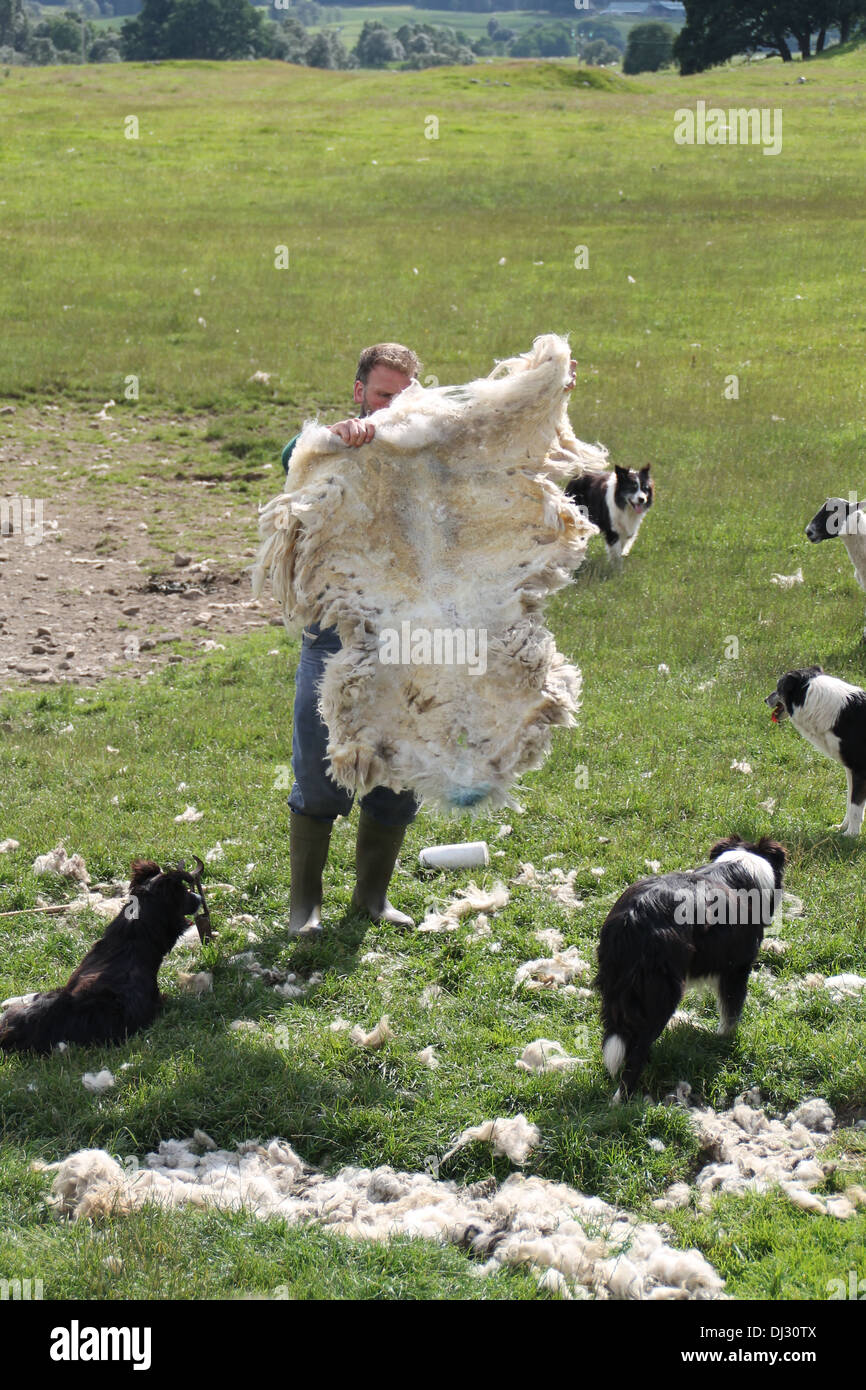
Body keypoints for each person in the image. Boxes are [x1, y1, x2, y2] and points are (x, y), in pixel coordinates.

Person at [282, 343, 422, 936]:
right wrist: (335, 438)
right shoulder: (335, 443)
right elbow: (295, 456)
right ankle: (304, 906)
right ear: (359, 389)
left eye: (404, 395)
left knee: (398, 767)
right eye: (383, 393)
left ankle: (371, 897)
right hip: (334, 630)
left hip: (408, 634)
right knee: (320, 764)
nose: (392, 405)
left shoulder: (423, 447)